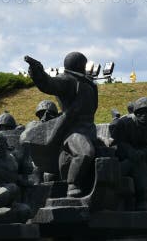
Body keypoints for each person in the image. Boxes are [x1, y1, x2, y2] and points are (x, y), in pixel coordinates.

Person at [22, 52, 98, 198]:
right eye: (83, 63)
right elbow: (49, 84)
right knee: (84, 152)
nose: (85, 66)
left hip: (89, 129)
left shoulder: (86, 82)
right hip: (73, 131)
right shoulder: (68, 80)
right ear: (78, 64)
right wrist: (38, 73)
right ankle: (72, 184)